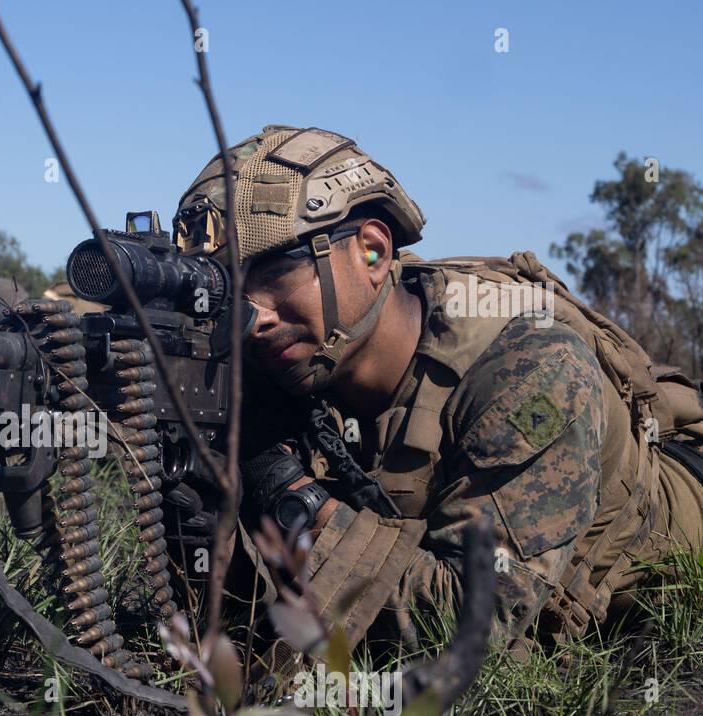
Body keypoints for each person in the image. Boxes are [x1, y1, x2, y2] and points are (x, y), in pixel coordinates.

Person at [173, 125, 703, 652]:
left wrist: (291, 500)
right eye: (228, 291)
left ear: (373, 253)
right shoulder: (288, 364)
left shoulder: (533, 373)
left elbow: (472, 627)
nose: (253, 317)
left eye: (274, 275)